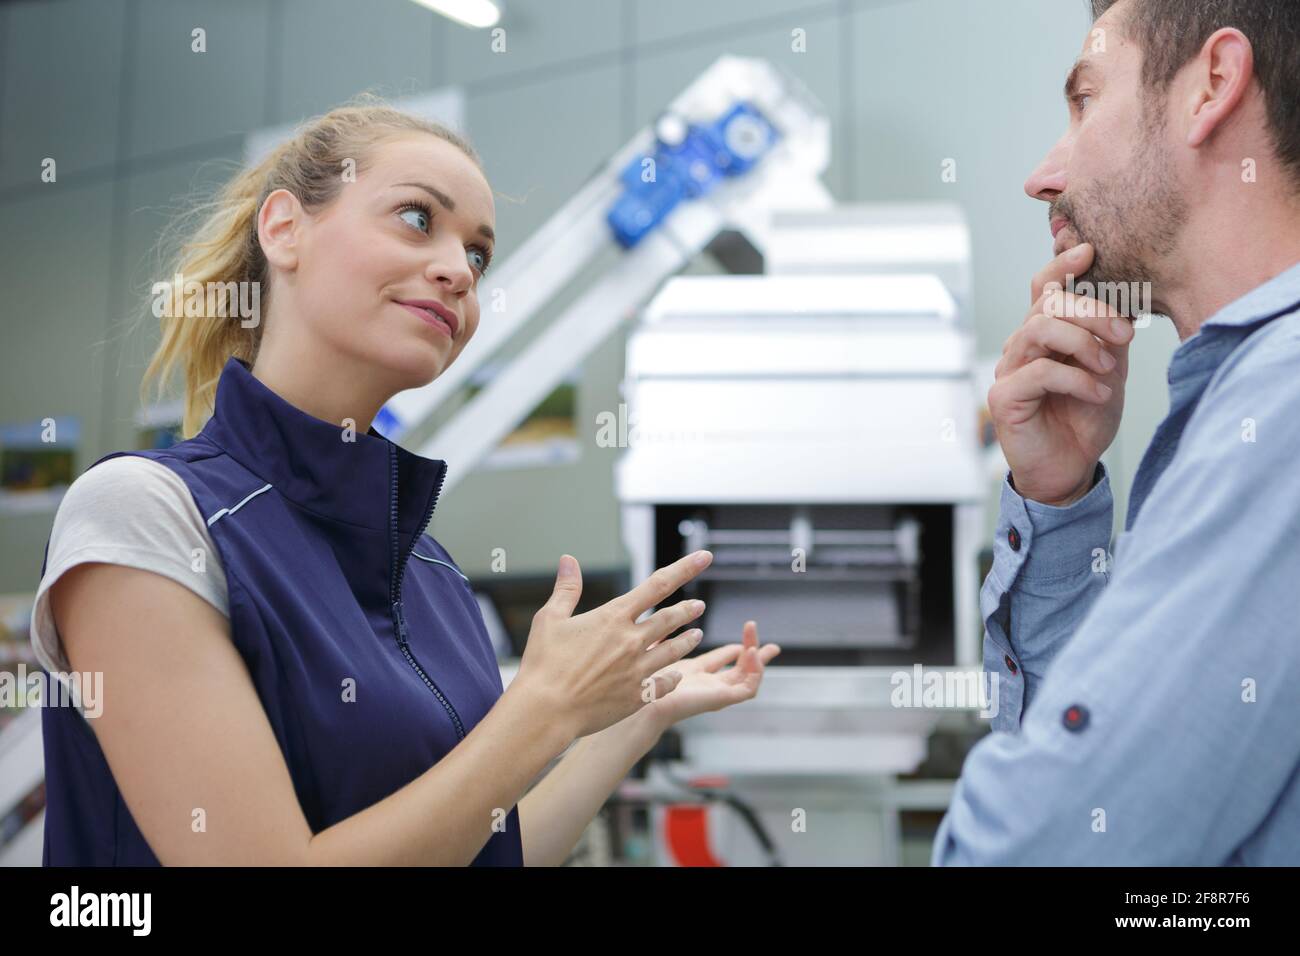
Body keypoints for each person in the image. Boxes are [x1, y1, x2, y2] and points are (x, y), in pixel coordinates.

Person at [32, 100, 781, 866]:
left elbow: (488, 851)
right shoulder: (148, 514)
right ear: (284, 228)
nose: (459, 270)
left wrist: (630, 719)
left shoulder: (433, 573)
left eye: (480, 256)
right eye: (419, 219)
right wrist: (546, 710)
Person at [934, 0, 1300, 864]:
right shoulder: (1246, 402)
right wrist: (1056, 497)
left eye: (1085, 101)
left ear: (1212, 85)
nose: (1043, 178)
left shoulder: (1279, 409)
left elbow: (1039, 846)